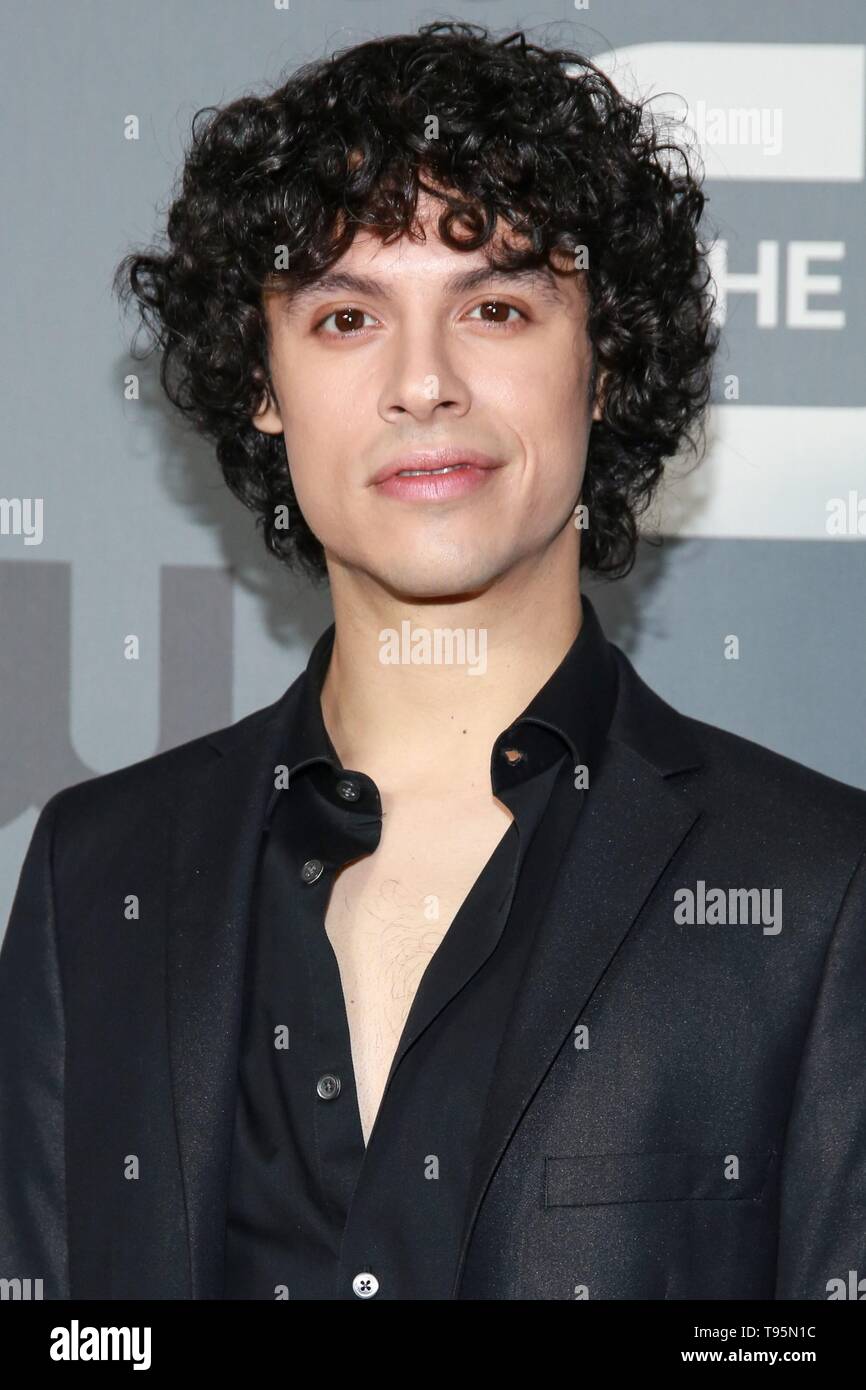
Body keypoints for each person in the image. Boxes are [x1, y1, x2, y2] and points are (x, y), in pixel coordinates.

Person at [2, 21, 865, 1302]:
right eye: (347, 315)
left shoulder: (817, 889)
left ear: (603, 361)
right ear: (263, 381)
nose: (424, 382)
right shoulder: (98, 875)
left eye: (497, 306)